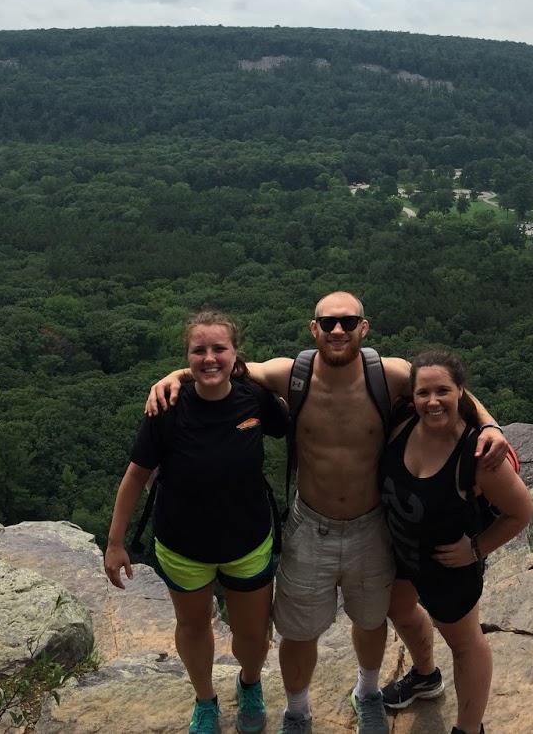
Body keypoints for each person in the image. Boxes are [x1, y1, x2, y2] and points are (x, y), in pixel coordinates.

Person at [148, 292, 510, 734]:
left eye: (348, 321)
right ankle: (297, 709)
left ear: (363, 327)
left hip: (371, 524)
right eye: (328, 322)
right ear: (313, 329)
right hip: (310, 524)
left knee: (370, 619)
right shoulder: (291, 374)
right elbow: (224, 366)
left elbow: (447, 386)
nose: (338, 329)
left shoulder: (388, 374)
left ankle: (368, 692)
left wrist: (490, 425)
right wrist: (174, 375)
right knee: (298, 630)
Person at [106, 310, 291, 734]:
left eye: (219, 349)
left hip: (247, 540)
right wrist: (115, 544)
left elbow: (295, 424)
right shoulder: (167, 408)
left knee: (252, 633)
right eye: (199, 350)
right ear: (187, 357)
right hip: (182, 544)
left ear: (235, 354)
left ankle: (250, 683)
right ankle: (205, 699)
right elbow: (135, 476)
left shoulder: (254, 398)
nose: (210, 358)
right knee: (192, 628)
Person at [376, 349, 533, 734]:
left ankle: (468, 728)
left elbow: (522, 511)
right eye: (423, 392)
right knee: (399, 608)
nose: (433, 401)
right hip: (402, 551)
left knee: (465, 644)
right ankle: (426, 676)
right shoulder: (401, 422)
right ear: (410, 396)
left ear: (461, 392)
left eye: (443, 391)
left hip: (448, 565)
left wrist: (476, 550)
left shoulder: (478, 454)